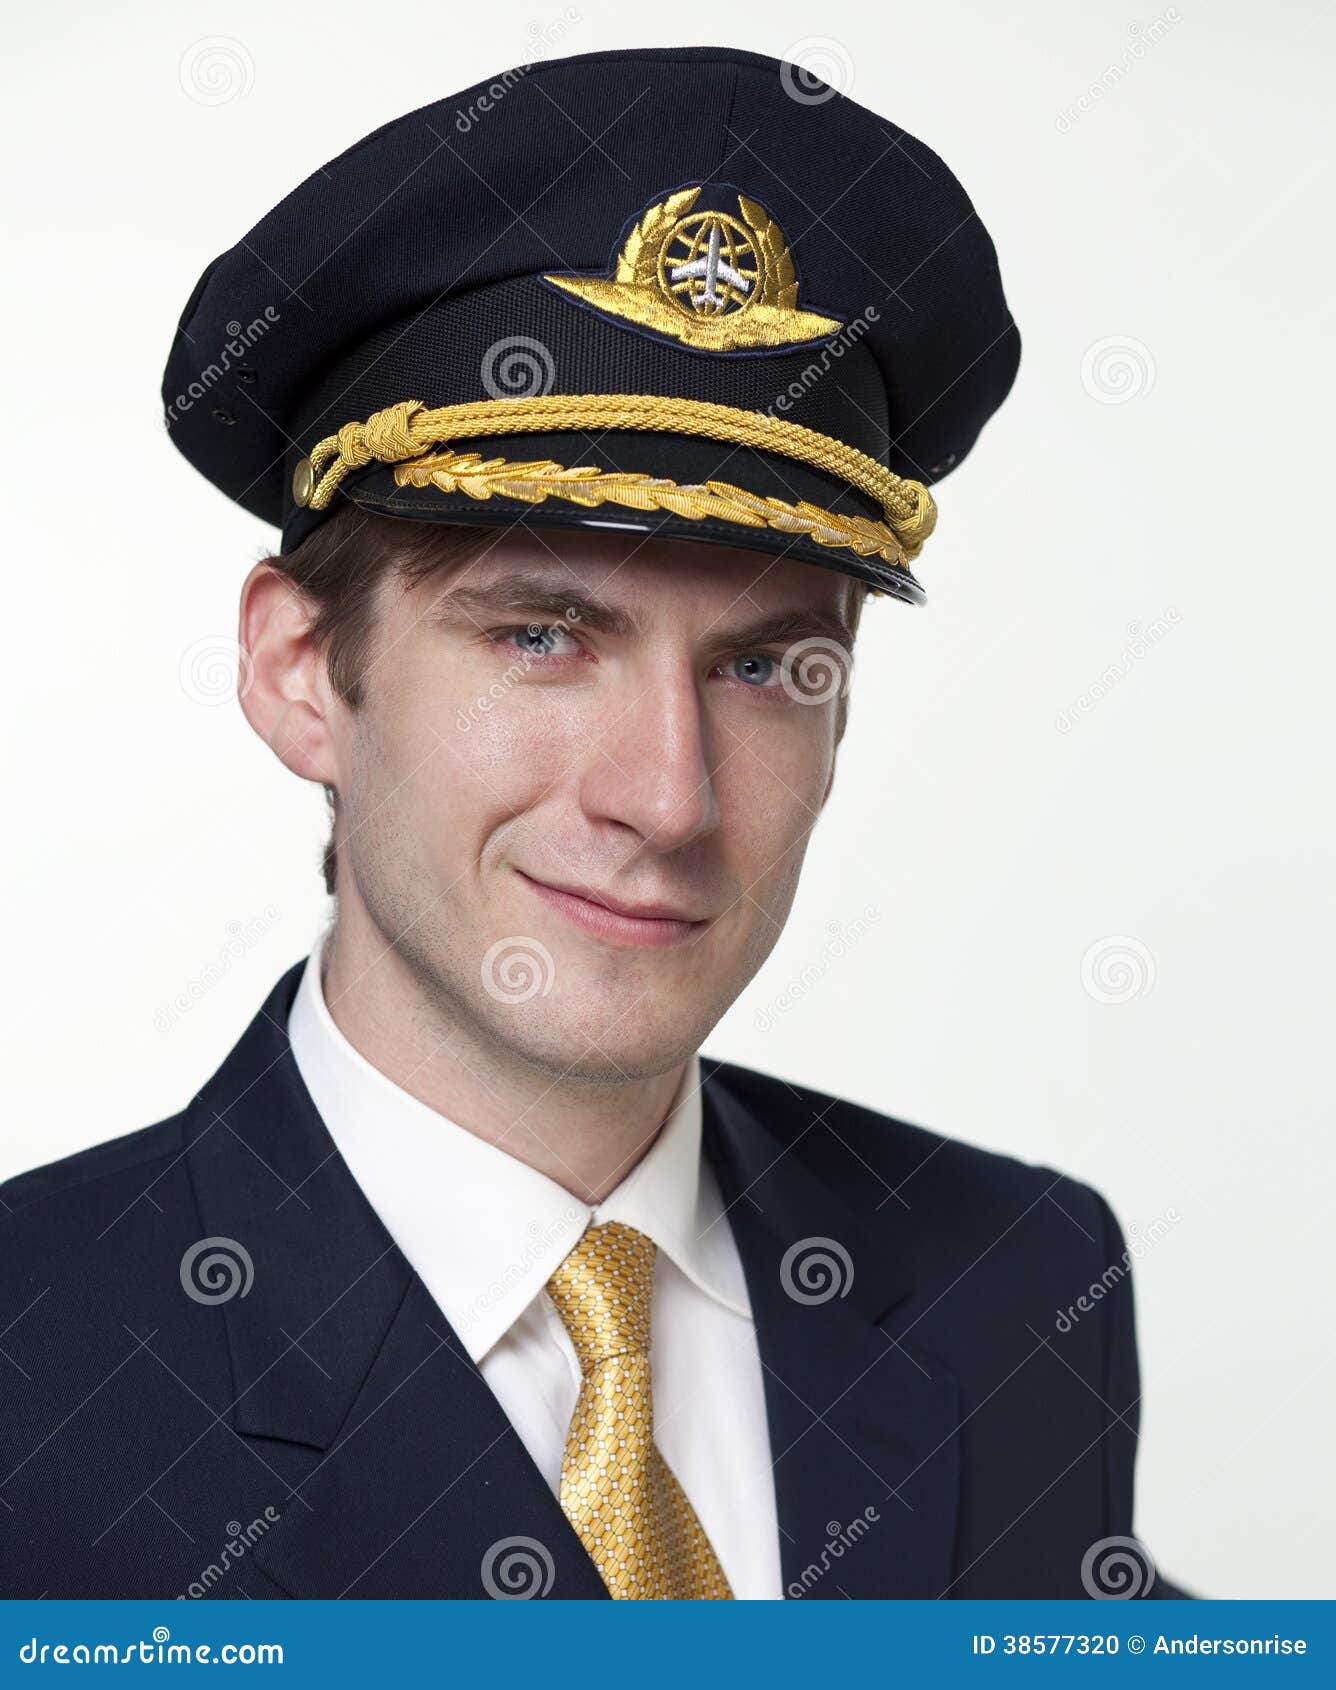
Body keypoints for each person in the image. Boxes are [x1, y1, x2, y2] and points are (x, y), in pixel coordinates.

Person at [0, 44, 1184, 1601]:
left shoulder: (1016, 1283)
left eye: (764, 666)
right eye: (544, 636)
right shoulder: (36, 1380)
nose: (669, 797)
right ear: (300, 672)